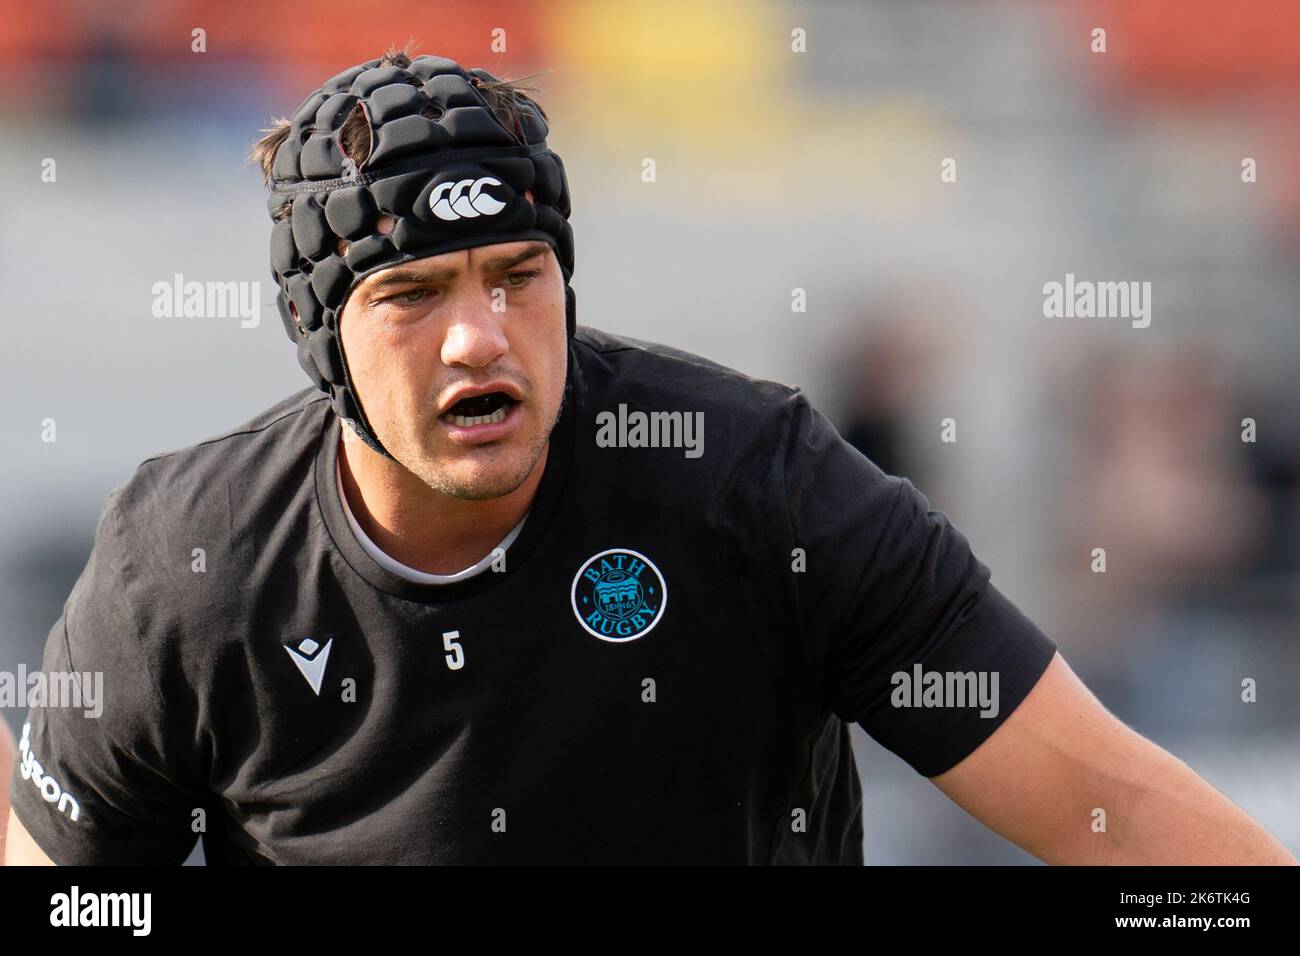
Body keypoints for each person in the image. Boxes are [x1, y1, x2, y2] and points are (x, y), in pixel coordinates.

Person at [4, 47, 1295, 865]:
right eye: (411, 296)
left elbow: (1109, 810)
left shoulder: (758, 488)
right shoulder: (188, 561)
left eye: (520, 277)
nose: (480, 339)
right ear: (318, 336)